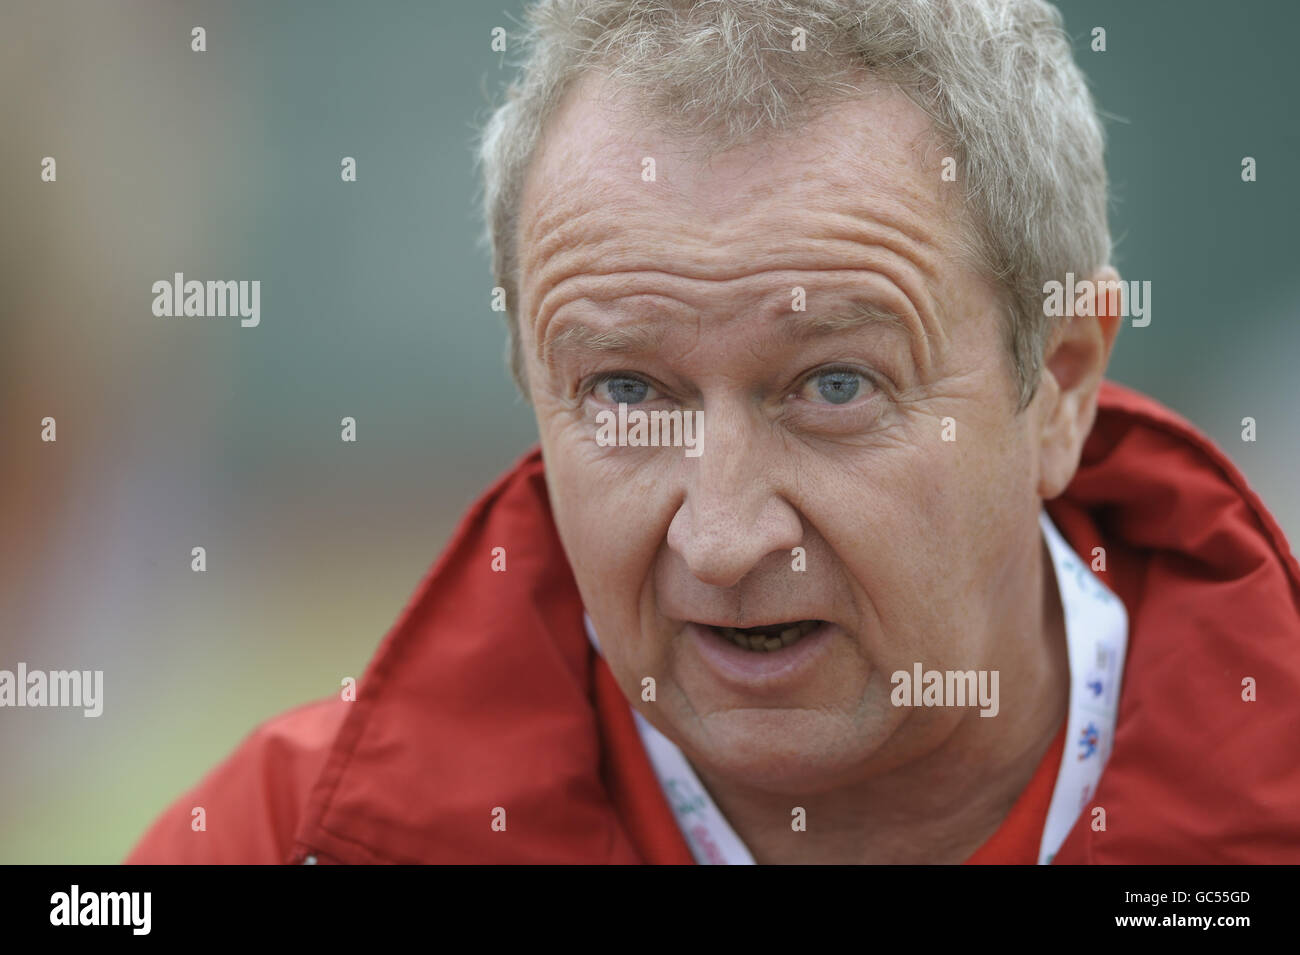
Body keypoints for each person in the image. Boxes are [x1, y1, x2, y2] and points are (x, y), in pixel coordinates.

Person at [128, 0, 1300, 864]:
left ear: (1058, 385)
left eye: (833, 385)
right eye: (628, 393)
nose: (726, 537)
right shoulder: (285, 841)